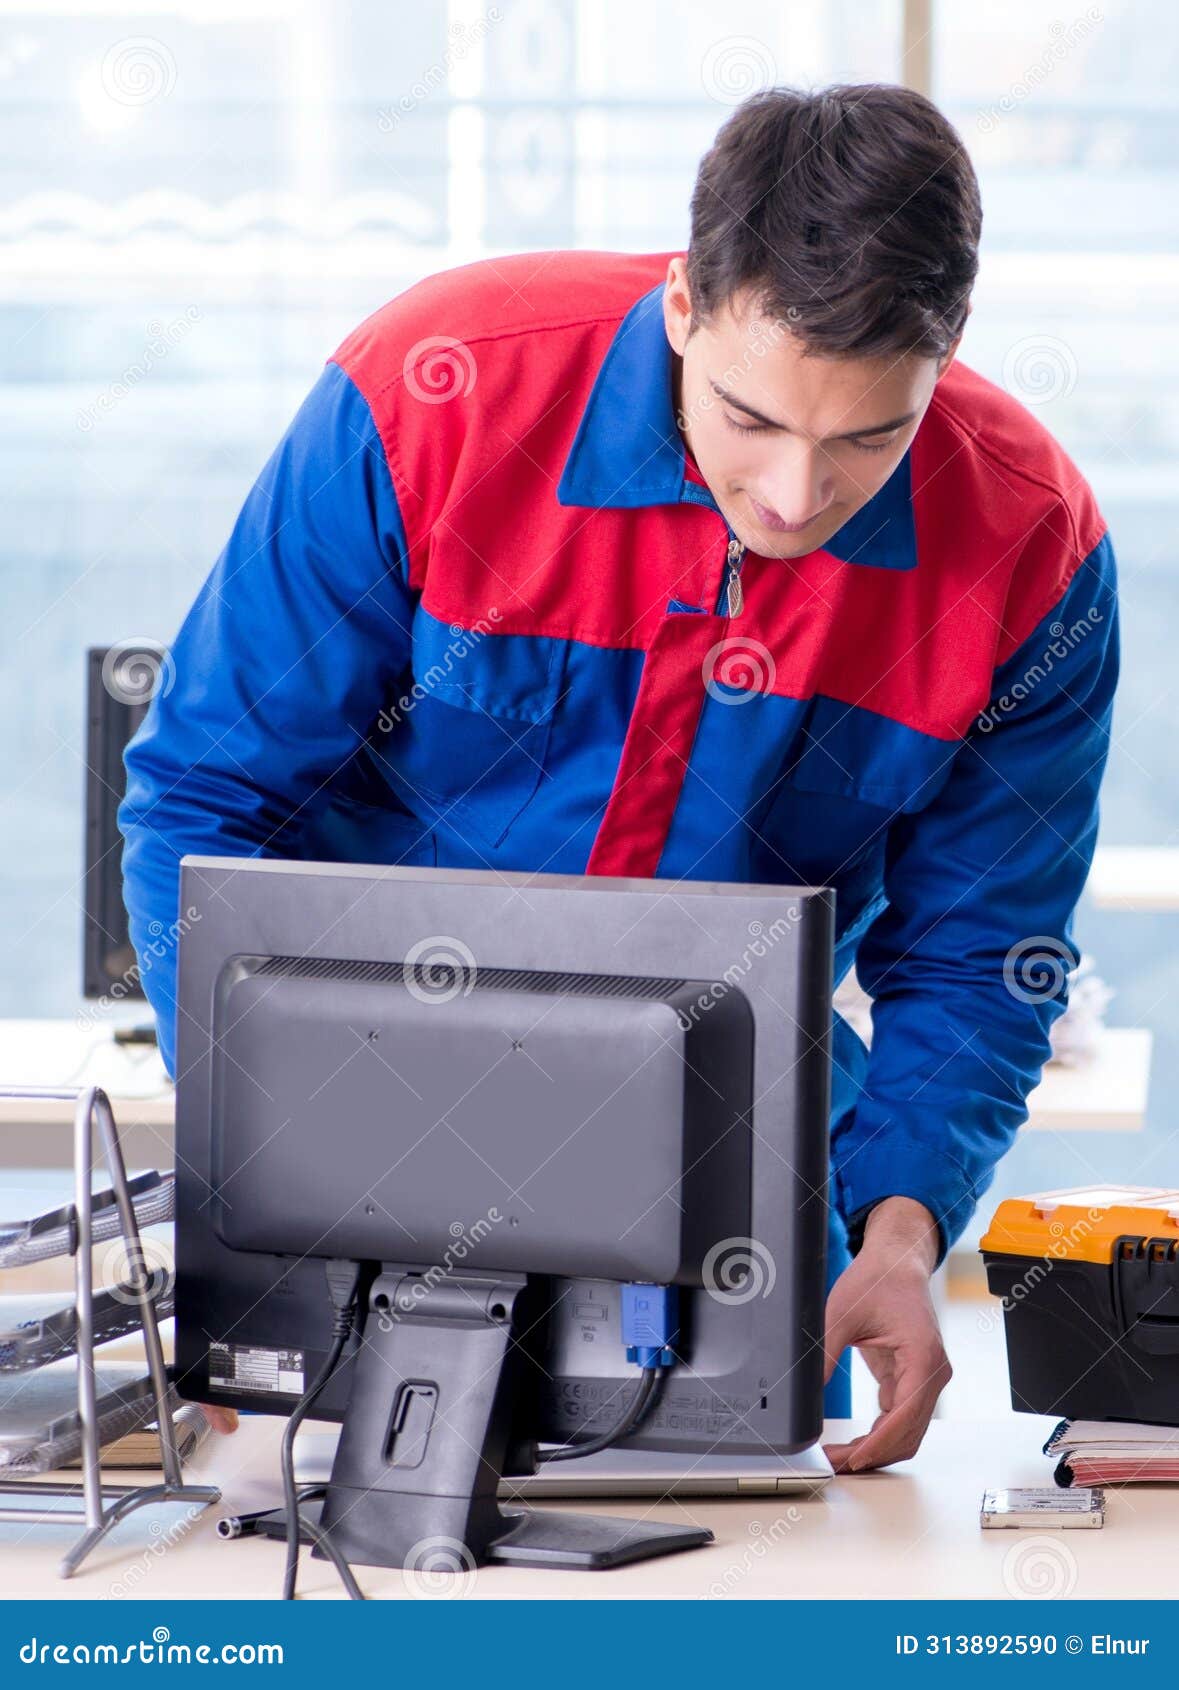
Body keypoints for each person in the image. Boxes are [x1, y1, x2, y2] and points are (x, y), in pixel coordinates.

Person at [119, 83, 1119, 1468]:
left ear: (944, 364)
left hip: (742, 1212)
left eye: (867, 442)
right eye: (751, 418)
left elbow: (980, 952)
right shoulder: (432, 400)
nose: (789, 495)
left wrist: (904, 1232)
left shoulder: (1032, 556)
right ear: (681, 304)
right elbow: (205, 801)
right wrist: (256, 1148)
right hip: (355, 1153)